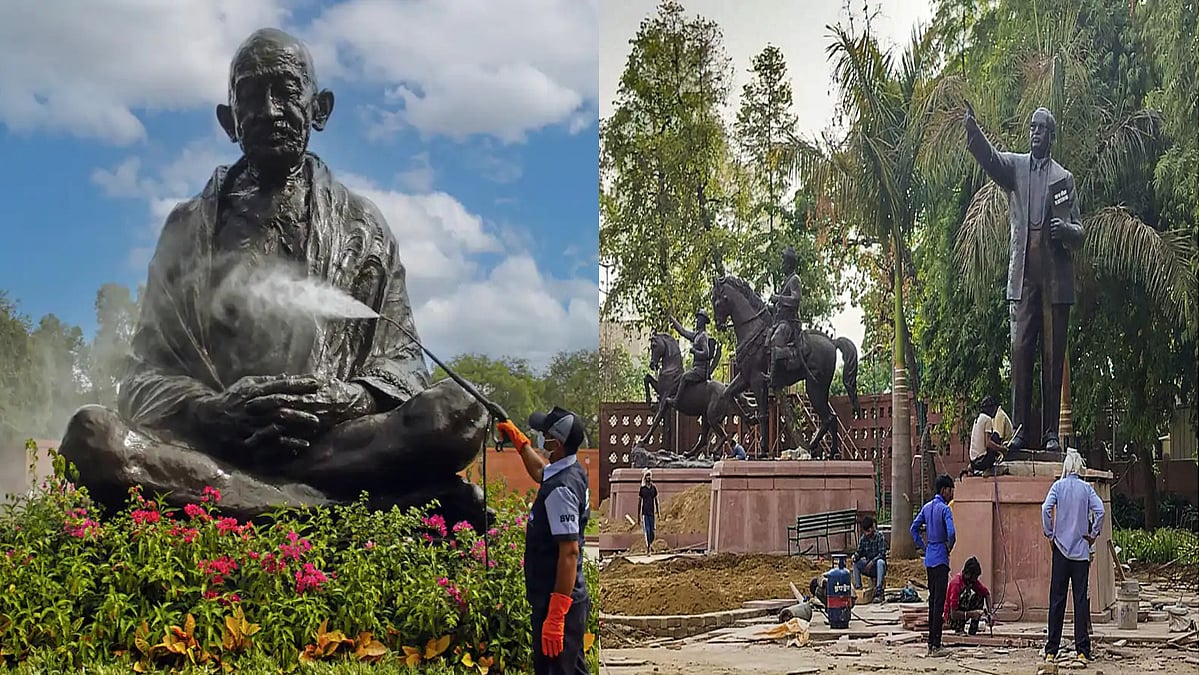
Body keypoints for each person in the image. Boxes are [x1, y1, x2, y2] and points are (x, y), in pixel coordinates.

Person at [964, 103, 1085, 453]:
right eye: (1032, 128)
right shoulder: (1015, 168)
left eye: (1042, 129)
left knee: (1051, 358)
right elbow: (991, 159)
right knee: (1020, 355)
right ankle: (1020, 431)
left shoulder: (1064, 178)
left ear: (1051, 136)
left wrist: (1066, 229)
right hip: (1024, 279)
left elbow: (1080, 230)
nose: (1035, 133)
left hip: (1054, 282)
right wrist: (974, 131)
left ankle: (1049, 434)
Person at [497, 407, 591, 675]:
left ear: (557, 444)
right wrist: (520, 442)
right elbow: (542, 473)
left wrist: (557, 614)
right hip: (563, 600)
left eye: (544, 435)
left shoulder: (561, 489)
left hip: (557, 603)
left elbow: (570, 552)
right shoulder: (568, 471)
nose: (540, 438)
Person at [1041, 449, 1105, 666]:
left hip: (1060, 550)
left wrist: (1050, 534)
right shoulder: (1087, 489)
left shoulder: (1058, 487)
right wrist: (1093, 534)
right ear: (1080, 468)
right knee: (1080, 601)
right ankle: (1082, 651)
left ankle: (1051, 650)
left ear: (1066, 468)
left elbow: (1045, 508)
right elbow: (1101, 512)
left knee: (1057, 600)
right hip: (1081, 553)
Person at [911, 474, 957, 657]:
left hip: (929, 557)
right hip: (941, 558)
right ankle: (936, 644)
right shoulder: (945, 509)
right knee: (939, 601)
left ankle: (931, 643)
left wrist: (924, 546)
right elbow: (952, 533)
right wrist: (948, 546)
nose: (951, 493)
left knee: (932, 599)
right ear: (944, 490)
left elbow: (913, 528)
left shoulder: (927, 507)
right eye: (950, 489)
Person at [664, 312, 715, 408]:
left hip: (701, 370)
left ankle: (676, 401)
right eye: (697, 319)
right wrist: (673, 321)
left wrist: (694, 351)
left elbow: (706, 353)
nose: (697, 321)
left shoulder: (703, 336)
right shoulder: (696, 336)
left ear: (703, 322)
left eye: (699, 319)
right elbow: (683, 331)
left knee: (684, 377)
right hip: (696, 368)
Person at [961, 396, 1014, 478]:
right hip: (982, 462)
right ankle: (988, 469)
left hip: (973, 461)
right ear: (990, 409)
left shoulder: (978, 418)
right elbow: (988, 443)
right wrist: (1002, 449)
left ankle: (976, 467)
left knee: (994, 436)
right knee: (996, 436)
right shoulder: (987, 419)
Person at [945, 556, 992, 635]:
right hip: (952, 617)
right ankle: (959, 629)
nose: (975, 580)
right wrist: (971, 614)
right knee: (965, 596)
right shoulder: (956, 584)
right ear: (968, 574)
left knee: (979, 596)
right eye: (974, 577)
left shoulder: (972, 581)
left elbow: (986, 594)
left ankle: (972, 631)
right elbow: (953, 614)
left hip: (964, 613)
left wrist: (990, 614)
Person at [851, 515, 888, 602]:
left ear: (873, 527)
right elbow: (859, 553)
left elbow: (882, 554)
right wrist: (854, 557)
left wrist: (872, 562)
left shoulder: (879, 536)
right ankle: (858, 588)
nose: (867, 533)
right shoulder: (863, 539)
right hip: (868, 566)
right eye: (865, 531)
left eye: (869, 530)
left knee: (880, 562)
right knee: (856, 563)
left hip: (878, 567)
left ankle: (878, 591)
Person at [637, 470, 660, 550]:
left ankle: (650, 544)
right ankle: (648, 548)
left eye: (649, 476)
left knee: (652, 532)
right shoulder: (642, 489)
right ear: (645, 477)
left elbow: (656, 500)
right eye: (647, 476)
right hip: (645, 513)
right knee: (647, 531)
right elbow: (639, 503)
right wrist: (638, 517)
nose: (648, 477)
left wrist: (658, 511)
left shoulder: (653, 488)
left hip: (651, 513)